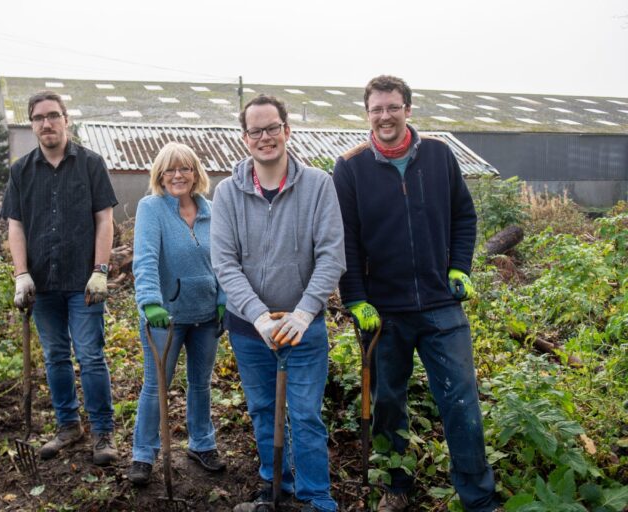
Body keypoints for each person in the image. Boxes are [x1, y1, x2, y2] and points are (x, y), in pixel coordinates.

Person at [332, 75, 502, 512]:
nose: (384, 116)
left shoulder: (440, 156)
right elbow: (344, 238)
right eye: (376, 109)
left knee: (462, 402)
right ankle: (397, 486)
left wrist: (459, 268)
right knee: (388, 403)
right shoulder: (350, 167)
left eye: (392, 107)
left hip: (442, 306)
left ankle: (478, 497)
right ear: (367, 114)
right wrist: (355, 297)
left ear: (408, 109)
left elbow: (463, 216)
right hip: (383, 311)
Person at [211, 95, 346, 512]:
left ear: (287, 131)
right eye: (256, 131)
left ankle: (314, 496)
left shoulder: (319, 185)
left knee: (305, 414)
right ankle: (276, 485)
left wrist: (304, 312)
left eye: (273, 128)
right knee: (263, 407)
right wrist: (258, 318)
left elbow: (331, 254)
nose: (265, 137)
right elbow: (224, 263)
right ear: (245, 138)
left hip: (305, 326)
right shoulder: (228, 193)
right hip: (250, 329)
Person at [2, 90, 118, 466]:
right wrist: (21, 274)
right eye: (39, 118)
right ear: (32, 123)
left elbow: (105, 220)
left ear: (66, 120)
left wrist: (100, 271)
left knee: (90, 355)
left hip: (84, 282)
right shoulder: (21, 171)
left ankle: (103, 432)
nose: (46, 123)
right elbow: (15, 226)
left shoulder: (90, 164)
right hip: (42, 284)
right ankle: (68, 427)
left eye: (53, 116)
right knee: (55, 356)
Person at [127, 142, 227, 485]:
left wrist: (224, 298)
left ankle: (202, 443)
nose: (178, 175)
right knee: (156, 385)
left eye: (185, 168)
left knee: (200, 384)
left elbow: (226, 259)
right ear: (160, 175)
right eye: (170, 169)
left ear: (196, 173)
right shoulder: (151, 208)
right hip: (164, 318)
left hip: (206, 315)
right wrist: (151, 301)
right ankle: (143, 454)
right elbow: (145, 259)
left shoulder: (212, 210)